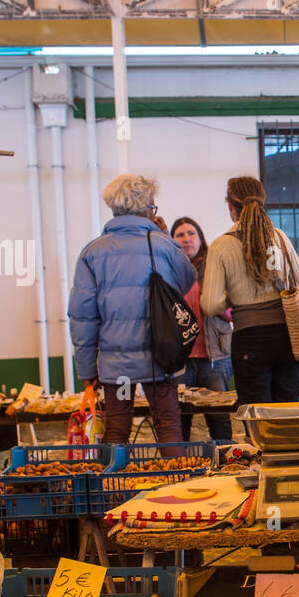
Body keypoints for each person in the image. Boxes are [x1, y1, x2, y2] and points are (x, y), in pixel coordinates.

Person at [69, 174, 197, 449]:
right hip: (160, 361)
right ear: (147, 207)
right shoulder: (164, 245)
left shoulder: (92, 252)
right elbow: (186, 281)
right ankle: (176, 486)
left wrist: (87, 368)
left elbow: (82, 316)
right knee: (168, 425)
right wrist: (162, 236)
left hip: (119, 369)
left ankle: (113, 490)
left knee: (118, 428)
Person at [201, 176, 299, 406]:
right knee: (287, 412)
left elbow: (210, 305)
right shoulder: (279, 237)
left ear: (231, 207)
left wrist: (234, 295)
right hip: (287, 337)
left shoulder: (221, 246)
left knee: (256, 413)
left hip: (249, 339)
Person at [171, 216, 233, 441]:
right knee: (178, 419)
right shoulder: (170, 269)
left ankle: (227, 463)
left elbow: (231, 303)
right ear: (172, 240)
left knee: (219, 417)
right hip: (180, 359)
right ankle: (181, 466)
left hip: (214, 356)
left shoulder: (216, 264)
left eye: (191, 233)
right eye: (180, 234)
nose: (186, 239)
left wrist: (218, 308)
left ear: (200, 238)